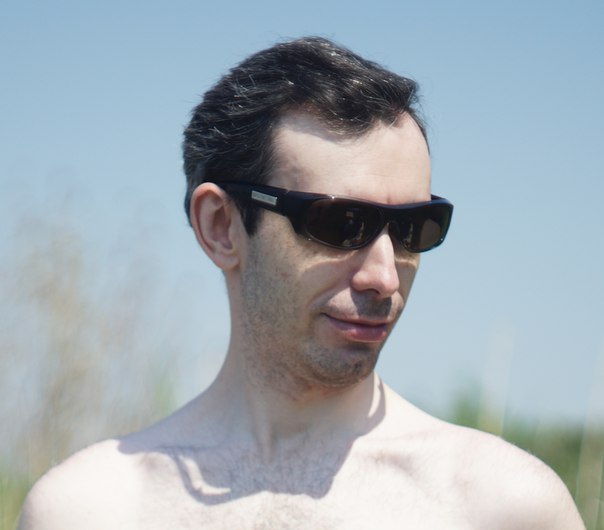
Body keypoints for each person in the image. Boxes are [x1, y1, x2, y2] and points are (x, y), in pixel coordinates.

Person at [19, 36, 584, 529]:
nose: (384, 276)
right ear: (221, 227)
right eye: (340, 224)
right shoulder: (91, 510)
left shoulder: (501, 507)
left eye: (416, 228)